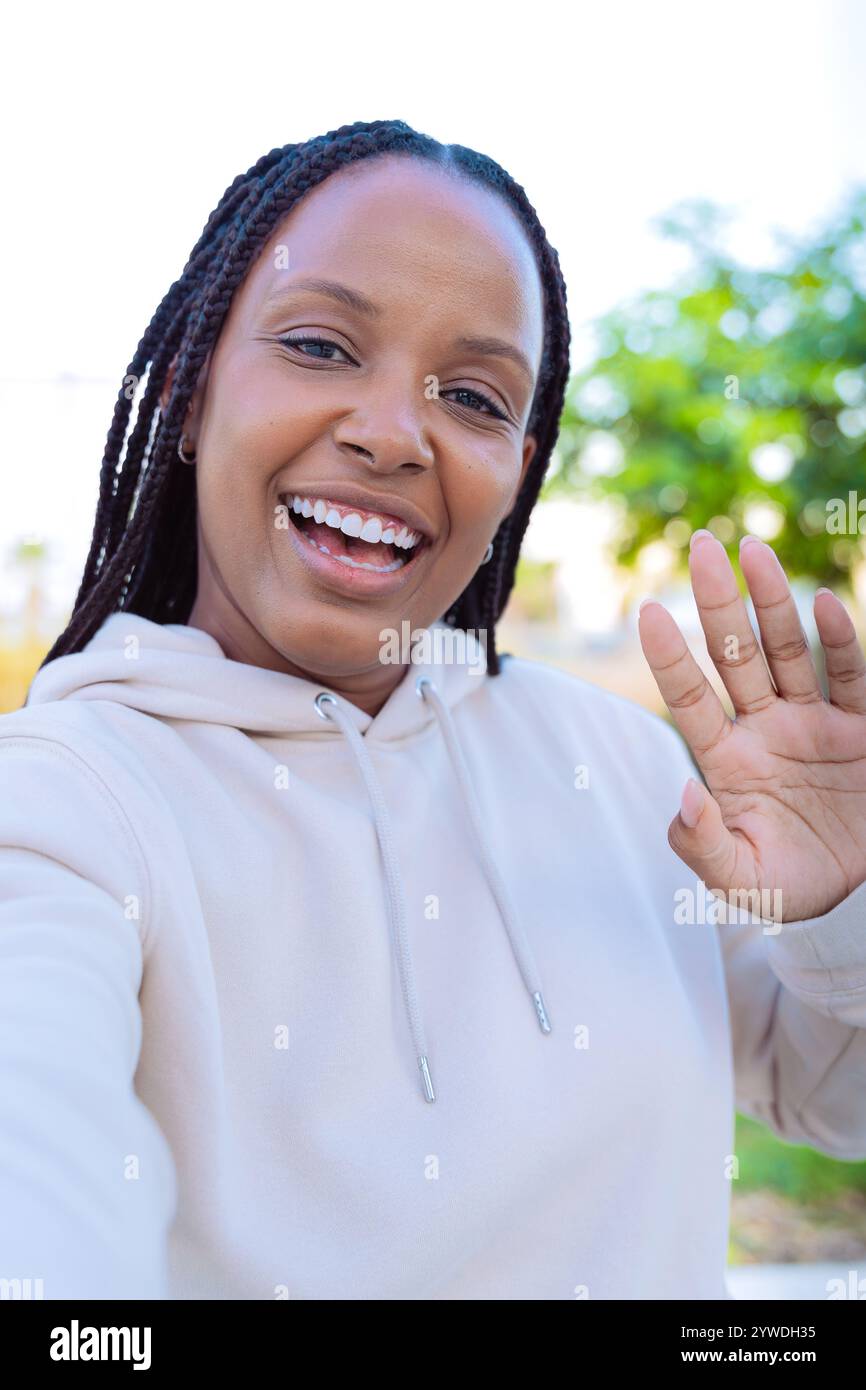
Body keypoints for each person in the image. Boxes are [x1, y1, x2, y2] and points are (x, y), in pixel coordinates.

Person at [1, 118, 865, 1302]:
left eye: (471, 395)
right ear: (192, 398)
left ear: (517, 470)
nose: (392, 434)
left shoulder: (616, 765)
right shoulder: (60, 801)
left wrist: (840, 911)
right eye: (318, 345)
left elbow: (832, 1098)